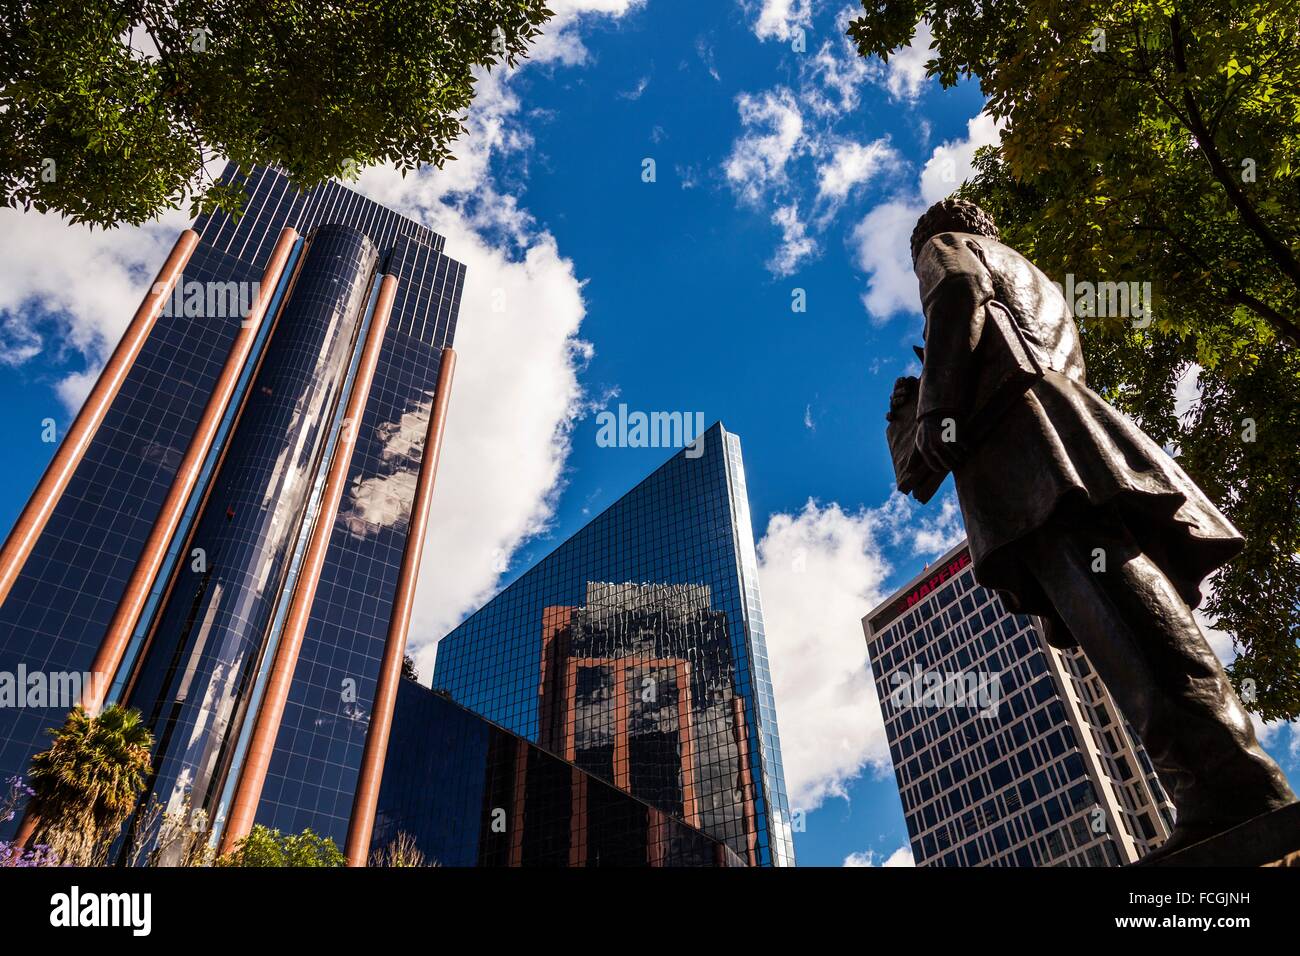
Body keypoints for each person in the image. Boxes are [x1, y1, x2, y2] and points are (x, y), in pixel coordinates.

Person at [906, 197, 1294, 858]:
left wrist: (933, 408)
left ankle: (1225, 782)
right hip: (1063, 435)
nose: (926, 266)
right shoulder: (1033, 277)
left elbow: (959, 295)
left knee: (1117, 620)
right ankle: (1218, 777)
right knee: (1125, 604)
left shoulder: (950, 250)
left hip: (1032, 452)